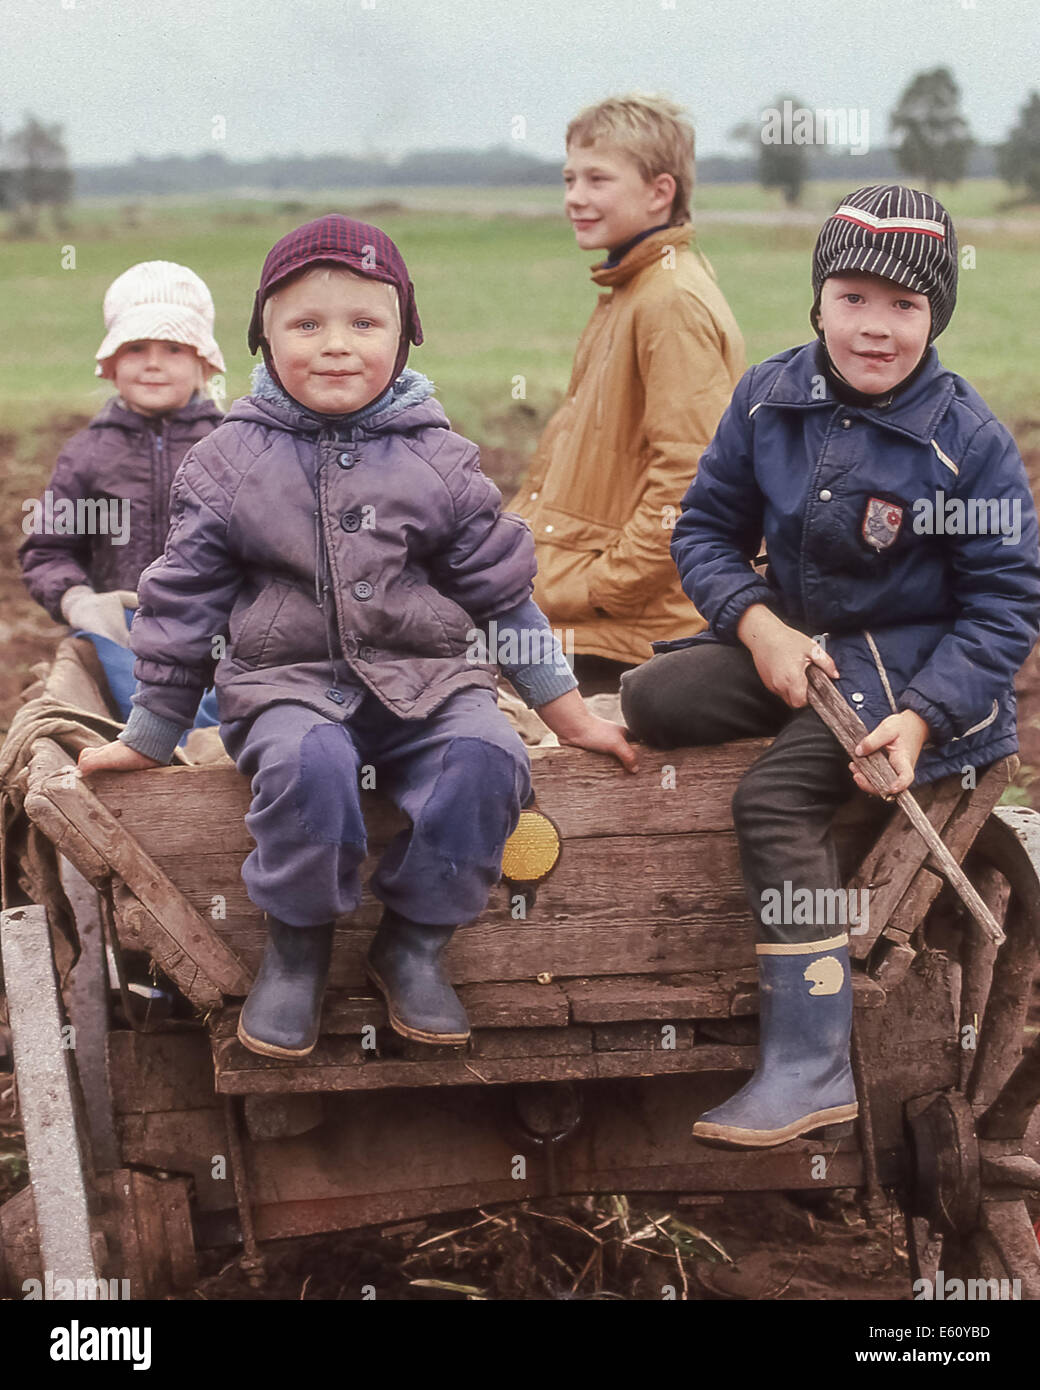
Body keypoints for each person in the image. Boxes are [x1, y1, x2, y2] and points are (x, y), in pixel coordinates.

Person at [78, 215, 636, 1059]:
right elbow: (183, 603)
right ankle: (297, 952)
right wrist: (153, 732)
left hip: (431, 686)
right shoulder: (230, 461)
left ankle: (412, 939)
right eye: (305, 325)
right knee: (312, 764)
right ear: (262, 339)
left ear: (403, 338)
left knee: (487, 757)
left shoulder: (440, 461)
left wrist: (567, 714)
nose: (335, 346)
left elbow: (501, 598)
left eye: (363, 324)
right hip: (286, 686)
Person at [620, 185, 1040, 1148]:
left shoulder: (964, 445)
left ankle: (810, 1065)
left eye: (904, 307)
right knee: (650, 698)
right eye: (853, 298)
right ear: (819, 301)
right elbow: (705, 532)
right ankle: (792, 705)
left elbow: (1005, 605)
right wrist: (755, 624)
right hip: (799, 649)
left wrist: (928, 715)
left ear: (936, 317)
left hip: (912, 670)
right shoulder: (770, 397)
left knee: (774, 800)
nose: (876, 328)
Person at [509, 94, 745, 696]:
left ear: (659, 192)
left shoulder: (668, 301)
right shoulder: (632, 288)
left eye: (597, 179)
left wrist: (601, 589)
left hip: (624, 636)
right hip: (583, 612)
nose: (574, 198)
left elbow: (691, 477)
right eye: (569, 178)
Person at [19, 260, 225, 736]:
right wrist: (79, 600)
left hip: (216, 621)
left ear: (203, 363)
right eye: (136, 349)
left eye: (174, 348)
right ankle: (157, 739)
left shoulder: (230, 445)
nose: (153, 363)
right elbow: (48, 549)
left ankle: (206, 741)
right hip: (125, 624)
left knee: (239, 674)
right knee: (120, 664)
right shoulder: (88, 452)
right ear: (110, 365)